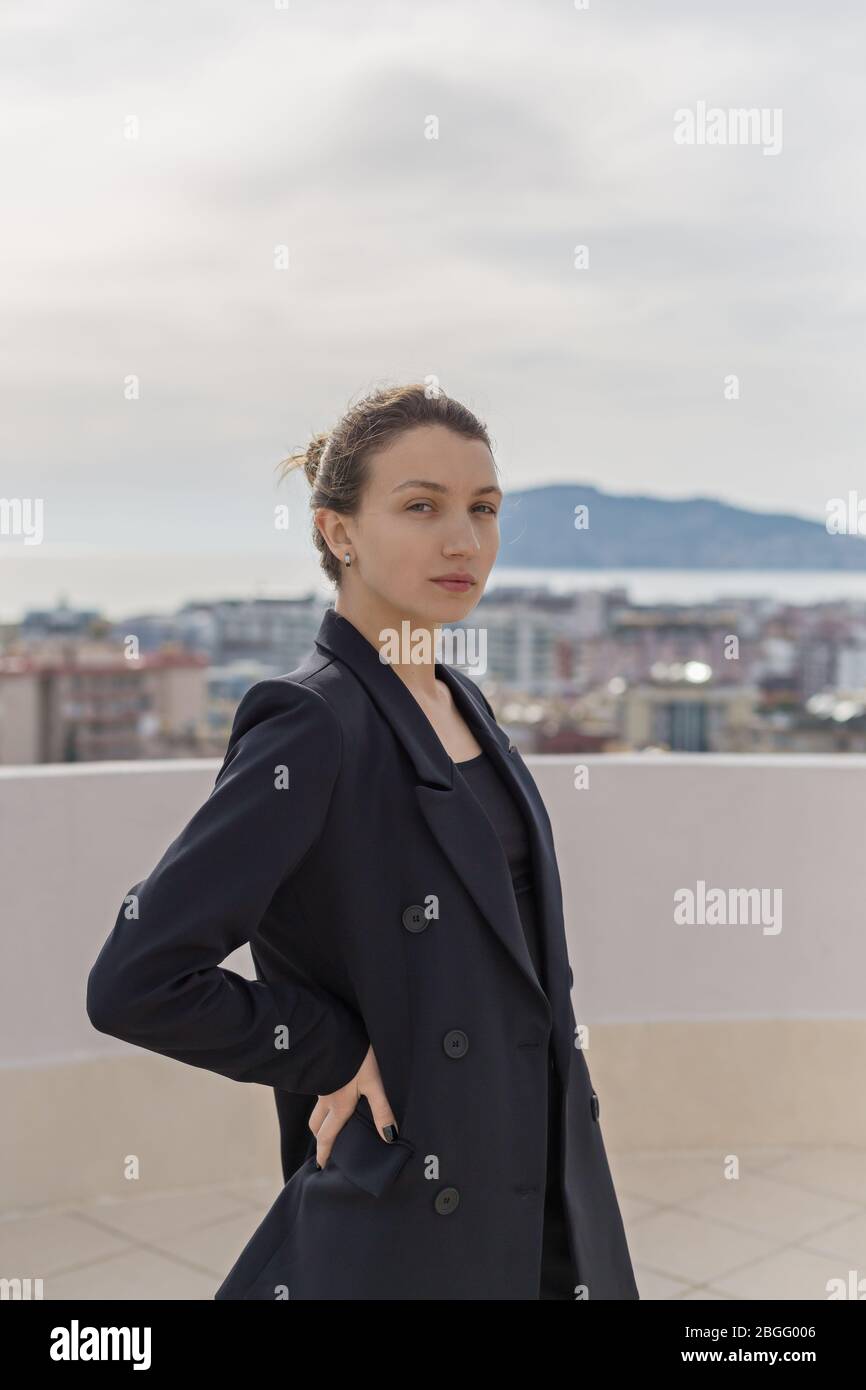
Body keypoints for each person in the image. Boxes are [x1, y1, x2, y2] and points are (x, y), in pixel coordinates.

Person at [87, 382, 639, 1300]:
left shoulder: (460, 701)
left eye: (483, 510)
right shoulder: (310, 724)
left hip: (544, 1174)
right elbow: (135, 979)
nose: (464, 541)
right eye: (421, 507)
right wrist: (329, 1050)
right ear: (338, 532)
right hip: (411, 1202)